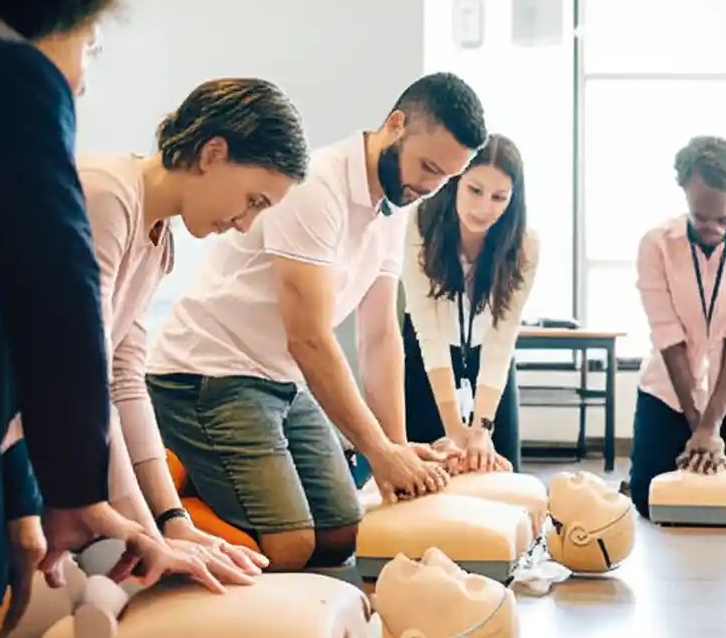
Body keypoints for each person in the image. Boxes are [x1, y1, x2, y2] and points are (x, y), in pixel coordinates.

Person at [145, 73, 488, 572]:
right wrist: (379, 452)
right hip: (208, 374)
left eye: (446, 178)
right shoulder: (317, 185)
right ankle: (165, 509)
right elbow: (307, 338)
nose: (430, 187)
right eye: (428, 167)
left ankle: (209, 474)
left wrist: (395, 449)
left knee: (340, 534)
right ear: (396, 125)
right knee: (289, 547)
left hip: (281, 378)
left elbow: (380, 335)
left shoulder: (396, 204)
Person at [0, 0, 220, 629]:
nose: (84, 77)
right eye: (89, 45)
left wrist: (25, 502)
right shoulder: (14, 78)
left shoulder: (163, 244)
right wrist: (74, 493)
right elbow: (54, 319)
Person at [78, 77, 308, 583]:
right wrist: (147, 538)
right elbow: (84, 380)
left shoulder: (159, 241)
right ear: (212, 153)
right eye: (253, 200)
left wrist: (172, 522)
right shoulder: (108, 196)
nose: (246, 224)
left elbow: (124, 381)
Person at [628, 136, 726, 519]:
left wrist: (711, 425)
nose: (713, 229)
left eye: (722, 220)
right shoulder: (656, 244)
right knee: (645, 499)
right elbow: (667, 336)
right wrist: (695, 424)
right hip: (668, 391)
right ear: (684, 188)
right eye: (702, 219)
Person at [401, 134, 539, 473]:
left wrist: (481, 429)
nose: (484, 208)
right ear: (455, 182)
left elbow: (502, 337)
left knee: (498, 468)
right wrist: (453, 428)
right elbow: (428, 331)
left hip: (489, 358)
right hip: (427, 355)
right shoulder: (420, 224)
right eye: (475, 190)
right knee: (429, 474)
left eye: (499, 197)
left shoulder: (524, 245)